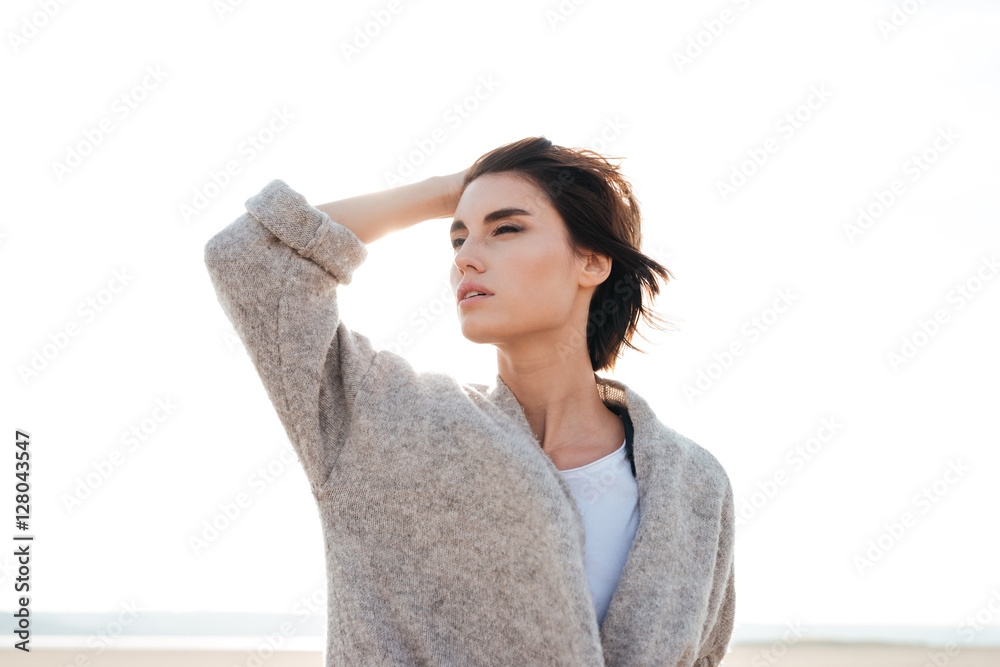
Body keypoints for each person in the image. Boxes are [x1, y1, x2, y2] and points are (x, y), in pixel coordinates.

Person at [203, 136, 735, 666]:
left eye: (506, 229)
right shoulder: (384, 419)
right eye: (457, 240)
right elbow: (251, 257)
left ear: (592, 262)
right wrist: (443, 193)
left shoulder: (694, 485)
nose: (468, 260)